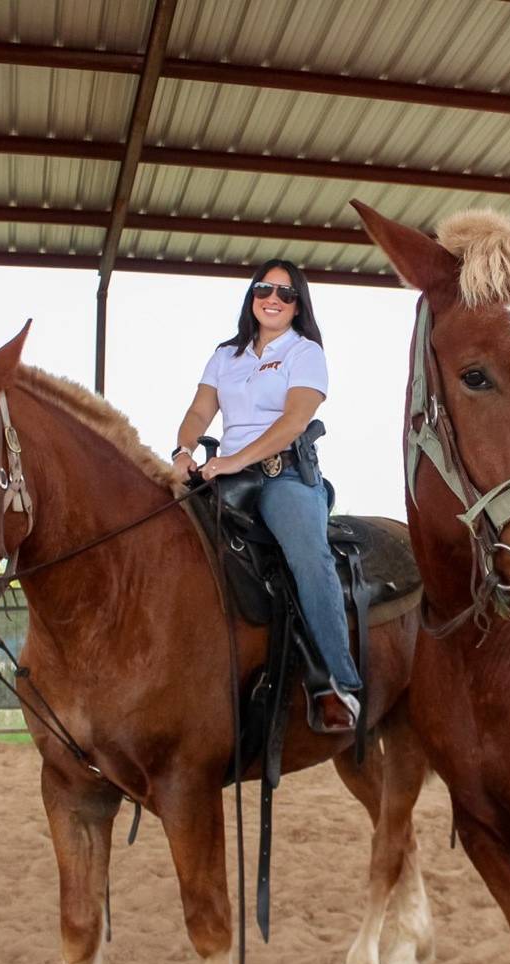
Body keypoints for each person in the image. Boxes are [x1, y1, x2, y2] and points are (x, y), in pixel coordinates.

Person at [171, 260, 361, 732]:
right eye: (264, 289)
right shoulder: (225, 354)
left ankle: (339, 682)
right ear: (252, 296)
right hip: (224, 477)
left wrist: (236, 460)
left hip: (284, 476)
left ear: (298, 306)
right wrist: (182, 450)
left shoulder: (305, 352)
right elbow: (199, 409)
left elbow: (294, 421)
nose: (273, 299)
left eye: (286, 293)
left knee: (308, 557)